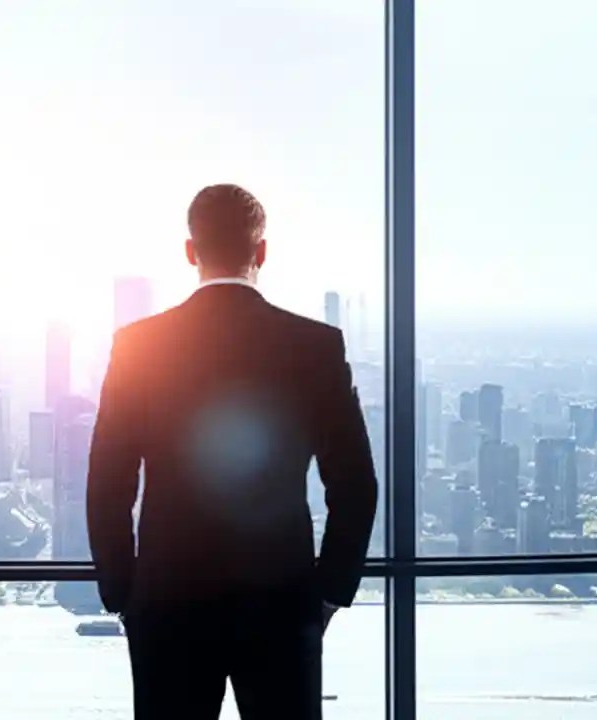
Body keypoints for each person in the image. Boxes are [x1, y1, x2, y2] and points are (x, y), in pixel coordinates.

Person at [87, 183, 378, 719]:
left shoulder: (139, 346)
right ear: (261, 252)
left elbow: (108, 484)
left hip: (167, 606)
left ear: (191, 251)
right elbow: (356, 485)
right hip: (282, 607)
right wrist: (328, 593)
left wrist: (125, 595)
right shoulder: (315, 346)